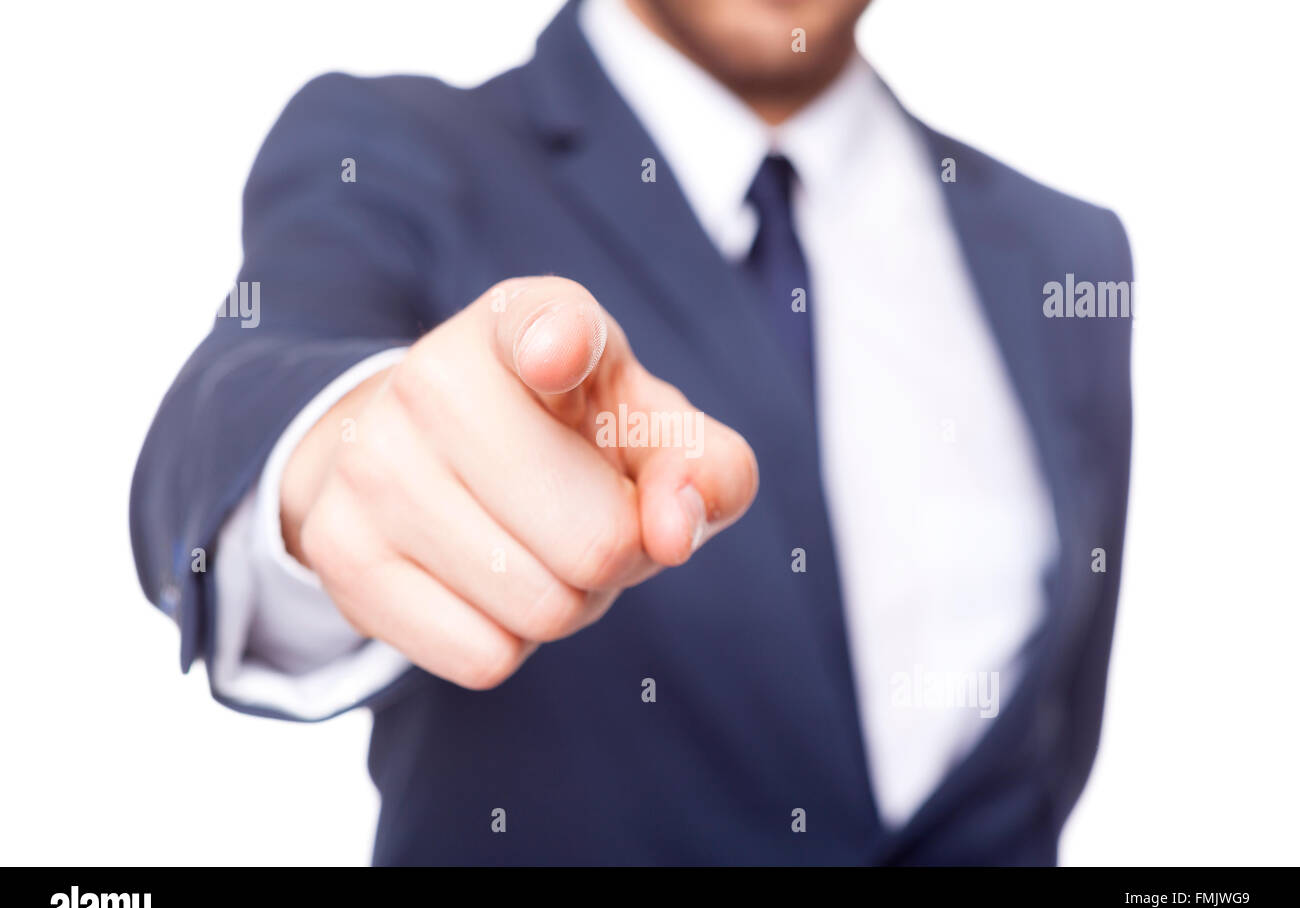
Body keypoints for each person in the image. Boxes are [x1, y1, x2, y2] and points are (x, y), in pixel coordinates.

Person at [130, 0, 1133, 864]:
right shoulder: (398, 150)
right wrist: (332, 457)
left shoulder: (1065, 252)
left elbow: (1049, 746)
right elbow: (256, 385)